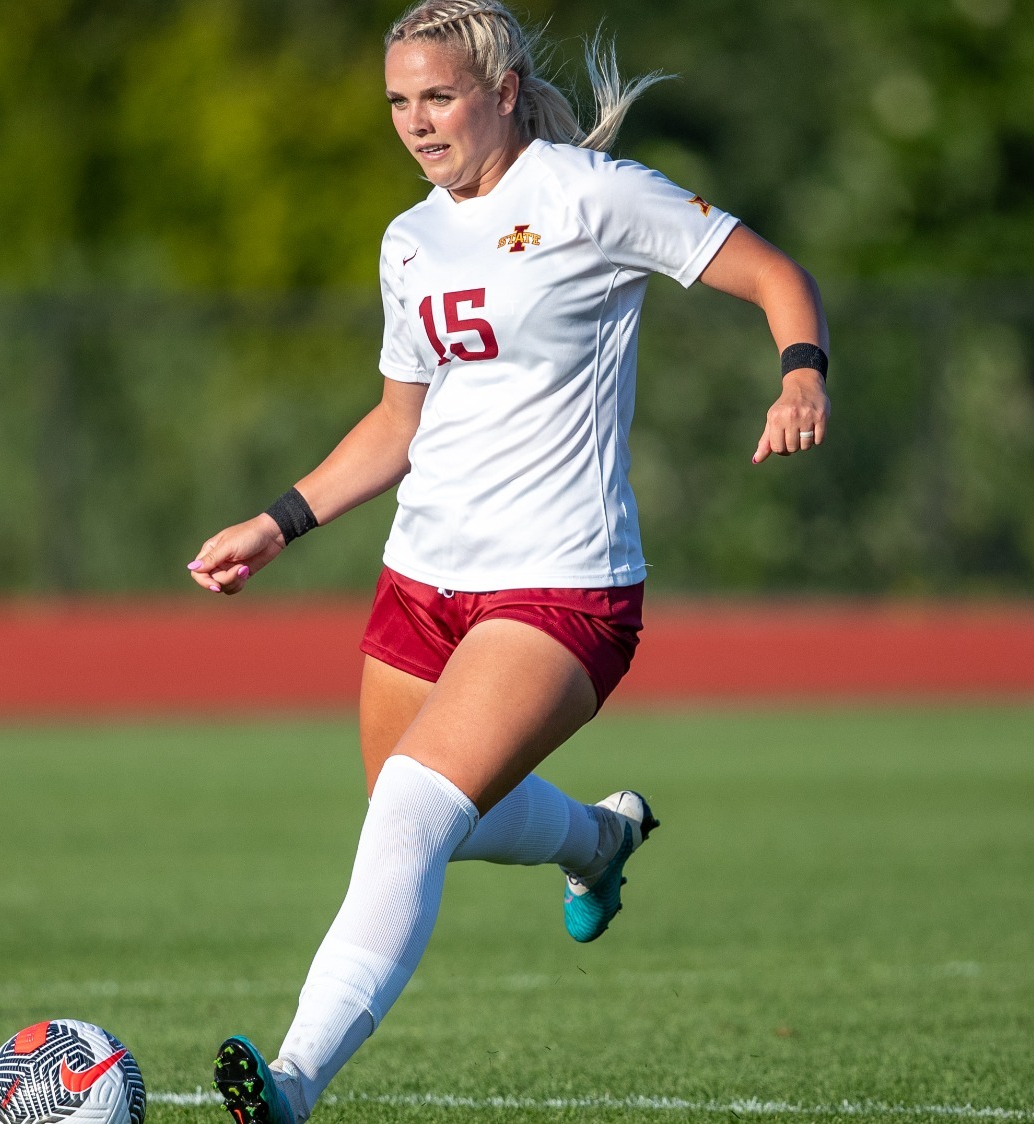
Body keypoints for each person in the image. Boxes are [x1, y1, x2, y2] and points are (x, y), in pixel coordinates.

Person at [185, 2, 831, 1121]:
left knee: (407, 820)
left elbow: (773, 274)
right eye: (396, 101)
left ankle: (289, 1081)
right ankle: (599, 835)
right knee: (423, 806)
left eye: (436, 96)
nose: (416, 122)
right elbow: (396, 425)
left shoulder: (590, 193)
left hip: (560, 582)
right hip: (419, 581)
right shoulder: (408, 236)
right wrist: (276, 520)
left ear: (496, 89)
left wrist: (801, 373)